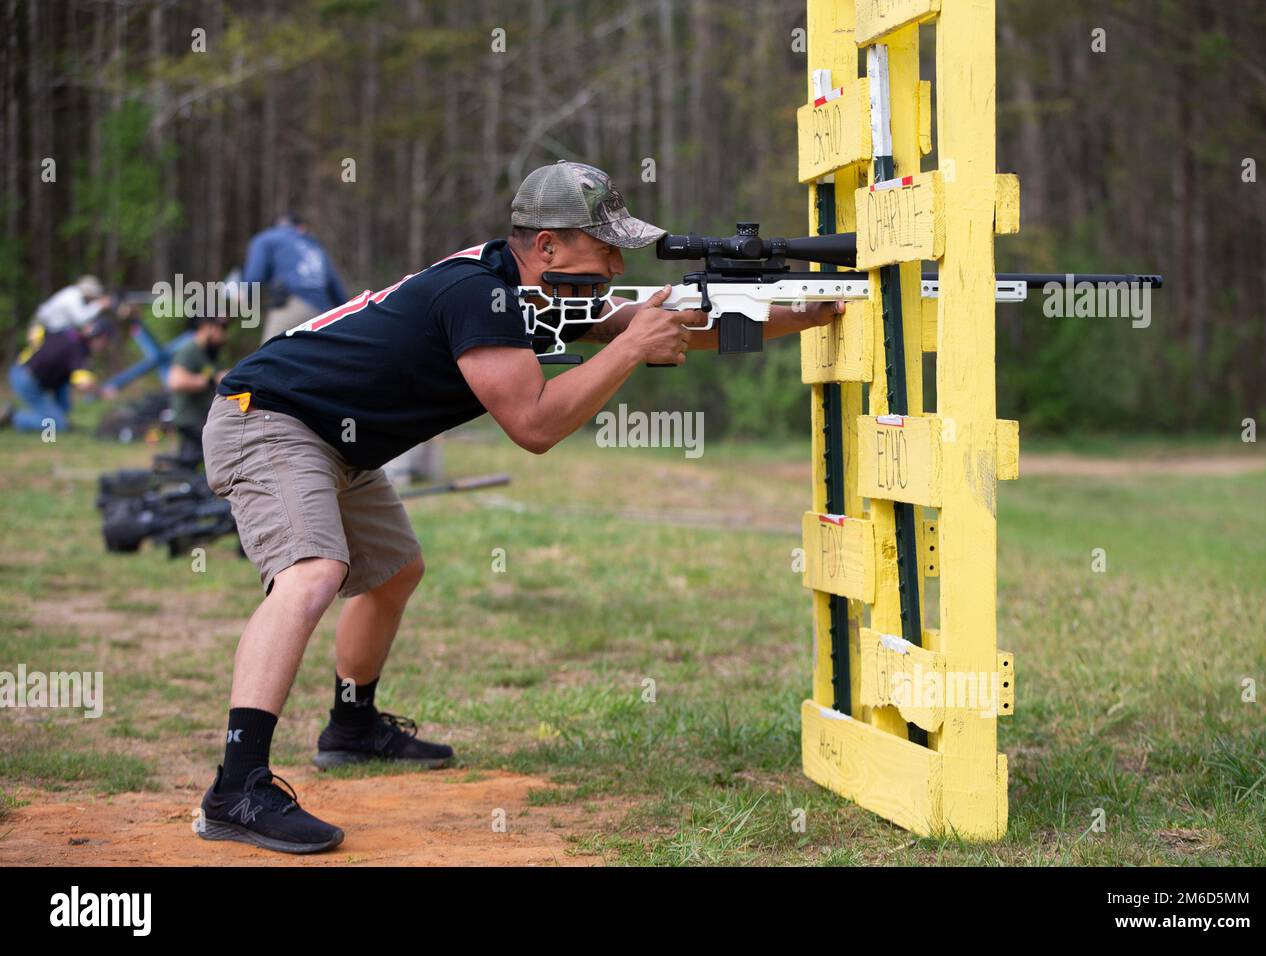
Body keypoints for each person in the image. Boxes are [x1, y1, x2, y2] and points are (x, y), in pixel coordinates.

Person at [196, 160, 843, 854]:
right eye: (606, 245)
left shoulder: (532, 295)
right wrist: (628, 349)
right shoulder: (482, 295)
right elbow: (534, 426)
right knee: (314, 572)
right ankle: (236, 789)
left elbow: (675, 328)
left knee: (394, 572)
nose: (618, 261)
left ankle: (350, 729)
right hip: (266, 418)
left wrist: (801, 316)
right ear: (547, 245)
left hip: (334, 438)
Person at [242, 214, 349, 343]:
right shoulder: (315, 245)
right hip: (323, 312)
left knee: (267, 358)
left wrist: (245, 298)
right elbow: (337, 290)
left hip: (291, 305)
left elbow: (254, 277)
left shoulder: (265, 239)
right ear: (301, 227)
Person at [2, 317, 114, 434]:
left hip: (21, 370)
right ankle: (13, 417)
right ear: (102, 339)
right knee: (57, 424)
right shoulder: (78, 349)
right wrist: (102, 392)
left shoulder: (69, 333)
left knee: (65, 385)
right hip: (26, 380)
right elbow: (83, 384)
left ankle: (56, 417)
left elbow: (37, 332)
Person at [165, 315, 229, 465]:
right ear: (207, 327)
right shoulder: (190, 349)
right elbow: (176, 381)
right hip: (190, 419)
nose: (224, 335)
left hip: (201, 415)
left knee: (189, 464)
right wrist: (212, 380)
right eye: (222, 329)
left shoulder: (209, 353)